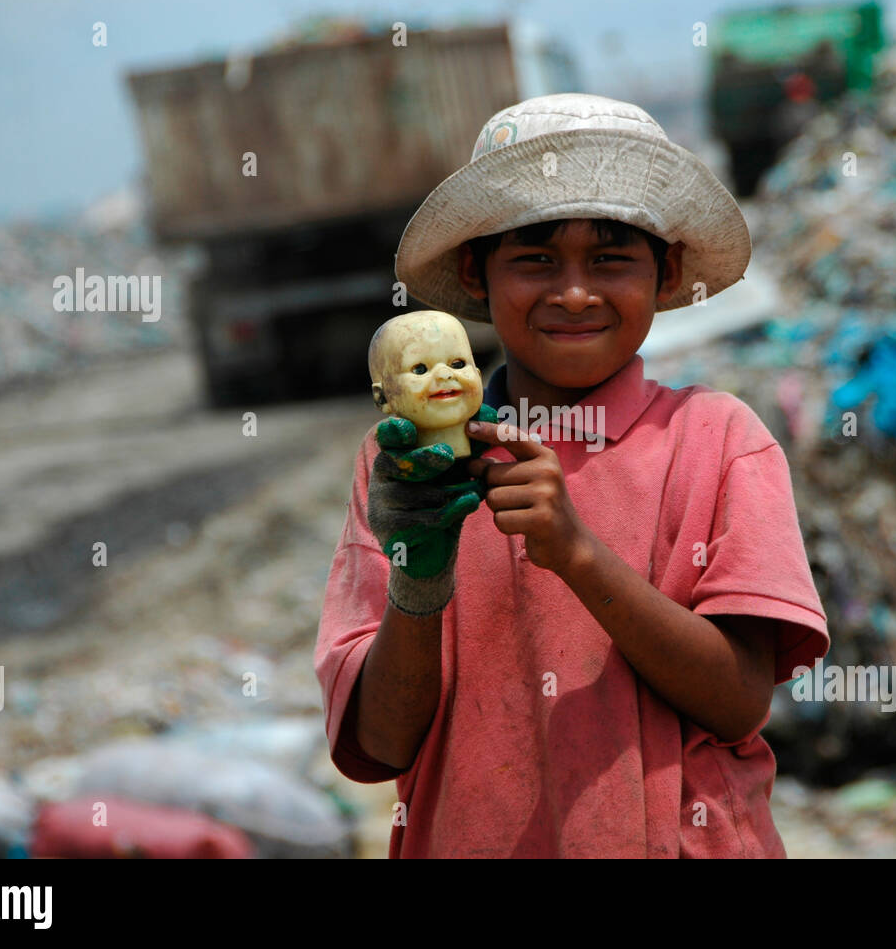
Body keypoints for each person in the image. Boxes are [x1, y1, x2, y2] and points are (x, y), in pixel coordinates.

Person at [314, 93, 830, 857]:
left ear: (667, 272)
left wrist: (579, 555)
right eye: (535, 260)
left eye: (612, 259)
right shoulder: (409, 470)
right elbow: (380, 746)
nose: (576, 293)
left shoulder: (719, 441)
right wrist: (418, 583)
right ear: (474, 271)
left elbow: (739, 701)